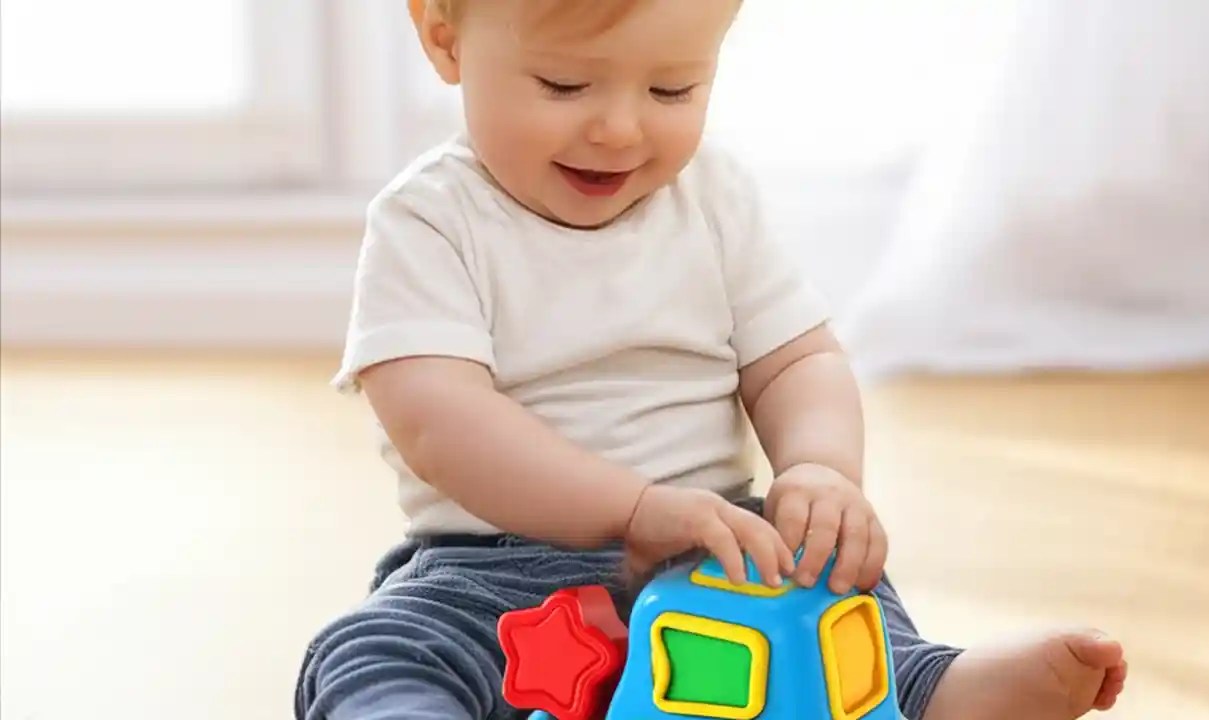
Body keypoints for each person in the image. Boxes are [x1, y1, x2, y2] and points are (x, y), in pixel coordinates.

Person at [295, 1, 1128, 718]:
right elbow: (443, 424)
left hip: (719, 547)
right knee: (374, 651)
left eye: (672, 89)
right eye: (564, 85)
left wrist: (821, 469)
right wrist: (632, 509)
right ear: (445, 39)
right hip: (494, 573)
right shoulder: (429, 222)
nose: (621, 127)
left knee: (835, 586)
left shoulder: (717, 200)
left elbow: (797, 359)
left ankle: (926, 688)